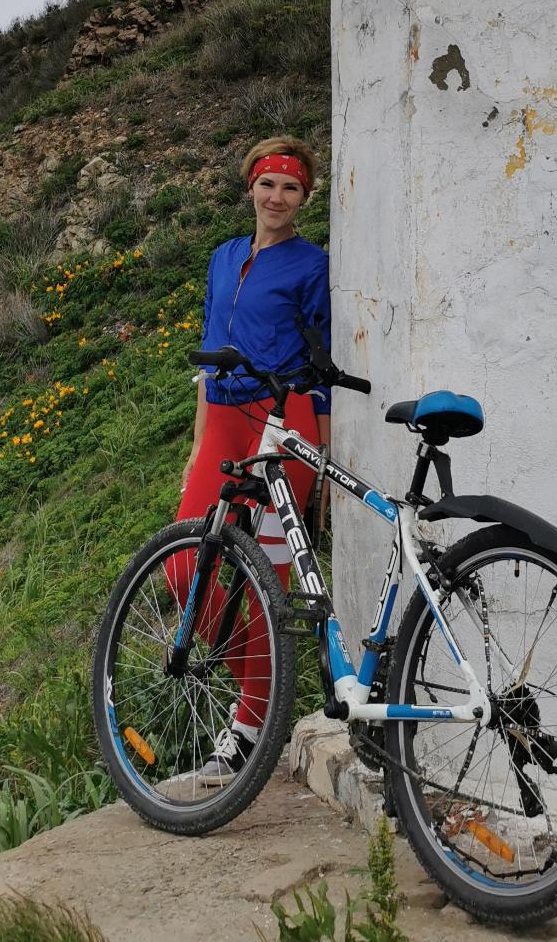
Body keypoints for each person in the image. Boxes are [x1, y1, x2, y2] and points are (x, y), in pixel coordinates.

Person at [175, 136, 329, 782]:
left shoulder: (312, 264)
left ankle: (248, 726)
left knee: (266, 581)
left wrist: (323, 456)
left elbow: (322, 365)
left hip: (284, 418)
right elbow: (210, 358)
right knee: (188, 569)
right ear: (250, 187)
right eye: (268, 184)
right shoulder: (223, 259)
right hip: (224, 421)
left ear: (304, 199)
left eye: (290, 188)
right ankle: (253, 693)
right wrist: (195, 448)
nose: (276, 198)